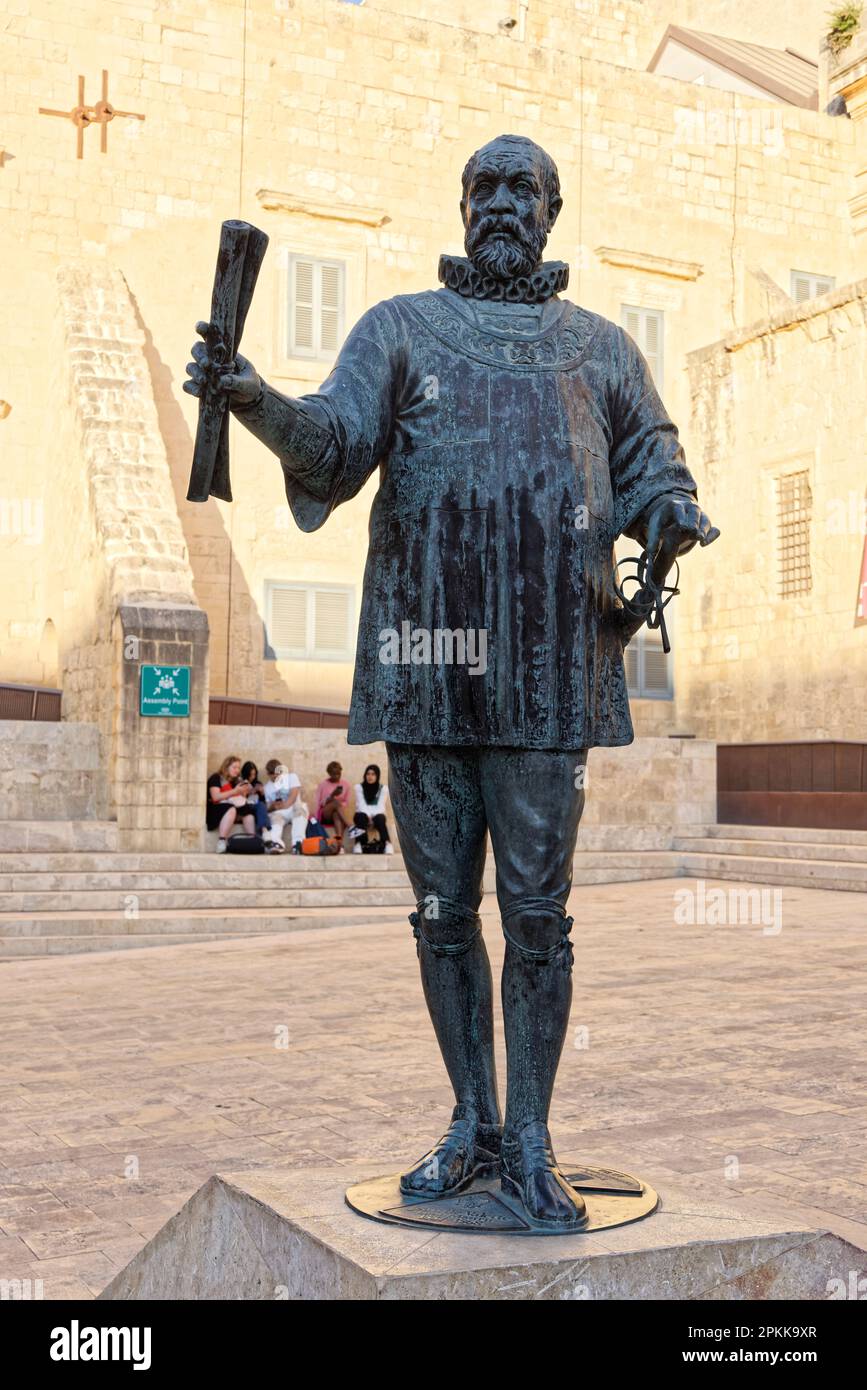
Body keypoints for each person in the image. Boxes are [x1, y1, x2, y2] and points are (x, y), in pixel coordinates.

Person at [186, 134, 718, 1228]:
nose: (503, 204)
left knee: (539, 918)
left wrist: (669, 517)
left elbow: (658, 468)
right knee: (439, 913)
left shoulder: (605, 351)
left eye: (524, 188)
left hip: (546, 678)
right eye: (485, 187)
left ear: (552, 211)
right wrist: (250, 396)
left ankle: (531, 1138)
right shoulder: (398, 330)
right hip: (427, 671)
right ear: (463, 204)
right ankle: (471, 1122)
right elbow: (332, 449)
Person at [206, 755, 256, 853]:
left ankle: (252, 840)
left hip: (231, 807)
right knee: (231, 809)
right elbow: (215, 797)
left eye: (238, 768)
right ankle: (221, 841)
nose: (237, 770)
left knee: (248, 812)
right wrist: (235, 791)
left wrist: (244, 792)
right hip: (215, 809)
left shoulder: (235, 781)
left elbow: (238, 800)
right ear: (226, 767)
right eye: (234, 767)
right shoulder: (216, 777)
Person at [263, 759, 309, 853]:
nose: (275, 775)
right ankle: (276, 844)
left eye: (278, 772)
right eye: (272, 773)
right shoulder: (267, 787)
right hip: (279, 812)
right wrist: (273, 807)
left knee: (299, 808)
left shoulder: (291, 777)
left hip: (294, 807)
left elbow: (293, 795)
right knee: (274, 817)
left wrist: (282, 805)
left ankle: (297, 844)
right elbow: (268, 807)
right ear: (268, 773)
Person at [240, 760, 283, 853]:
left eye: (254, 774)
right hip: (245, 807)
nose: (252, 777)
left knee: (261, 805)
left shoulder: (257, 783)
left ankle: (265, 833)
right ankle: (264, 834)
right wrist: (248, 792)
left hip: (257, 808)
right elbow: (239, 800)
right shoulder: (241, 783)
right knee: (260, 806)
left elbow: (263, 802)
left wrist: (262, 793)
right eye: (250, 775)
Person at [351, 763, 392, 854]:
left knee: (380, 818)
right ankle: (358, 843)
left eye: (373, 774)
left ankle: (387, 843)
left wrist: (372, 817)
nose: (370, 777)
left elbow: (380, 806)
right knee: (360, 816)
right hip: (363, 814)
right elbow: (361, 805)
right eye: (368, 774)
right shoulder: (359, 788)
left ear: (377, 776)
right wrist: (368, 816)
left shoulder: (383, 789)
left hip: (376, 815)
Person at [313, 761, 351, 850]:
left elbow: (346, 802)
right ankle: (350, 826)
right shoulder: (323, 785)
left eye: (338, 774)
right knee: (335, 802)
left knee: (336, 815)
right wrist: (332, 795)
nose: (337, 776)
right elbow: (320, 803)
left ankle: (339, 844)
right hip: (325, 813)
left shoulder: (345, 785)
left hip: (338, 812)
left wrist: (337, 804)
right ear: (329, 774)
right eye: (334, 774)